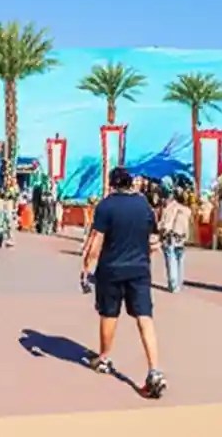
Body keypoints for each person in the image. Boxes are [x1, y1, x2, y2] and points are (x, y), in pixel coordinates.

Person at [79, 167, 166, 398]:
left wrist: (86, 268)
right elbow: (154, 242)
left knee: (109, 314)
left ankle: (104, 358)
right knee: (144, 317)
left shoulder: (106, 206)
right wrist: (144, 259)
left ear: (112, 184)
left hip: (111, 269)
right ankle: (155, 370)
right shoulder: (144, 206)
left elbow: (96, 242)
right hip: (140, 270)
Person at [158, 188, 192, 293]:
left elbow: (167, 224)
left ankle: (173, 284)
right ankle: (179, 282)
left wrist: (161, 231)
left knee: (171, 259)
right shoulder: (187, 210)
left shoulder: (171, 208)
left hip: (171, 236)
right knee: (180, 259)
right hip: (182, 237)